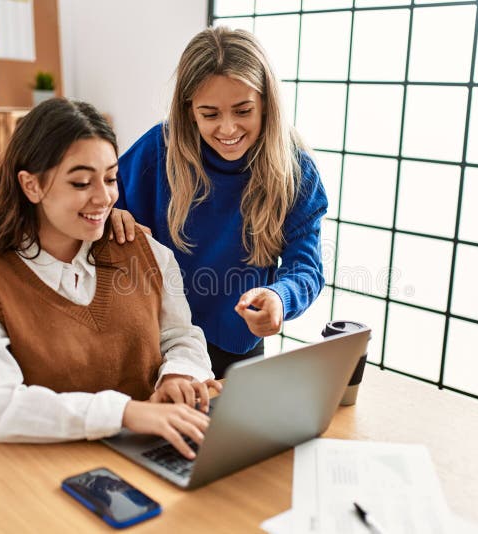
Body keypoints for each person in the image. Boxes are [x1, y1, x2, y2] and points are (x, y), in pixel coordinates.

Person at [0, 98, 219, 459]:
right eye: (81, 182)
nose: (104, 198)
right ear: (31, 186)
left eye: (110, 178)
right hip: (48, 475)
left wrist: (179, 374)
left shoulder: (146, 252)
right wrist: (125, 413)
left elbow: (181, 336)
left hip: (152, 454)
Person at [111, 27, 328, 378]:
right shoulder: (158, 150)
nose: (227, 129)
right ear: (189, 110)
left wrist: (279, 297)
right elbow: (101, 205)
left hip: (237, 343)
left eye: (243, 111)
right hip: (157, 337)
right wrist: (113, 219)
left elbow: (306, 267)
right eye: (210, 114)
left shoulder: (295, 172)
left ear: (266, 104)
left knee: (234, 432)